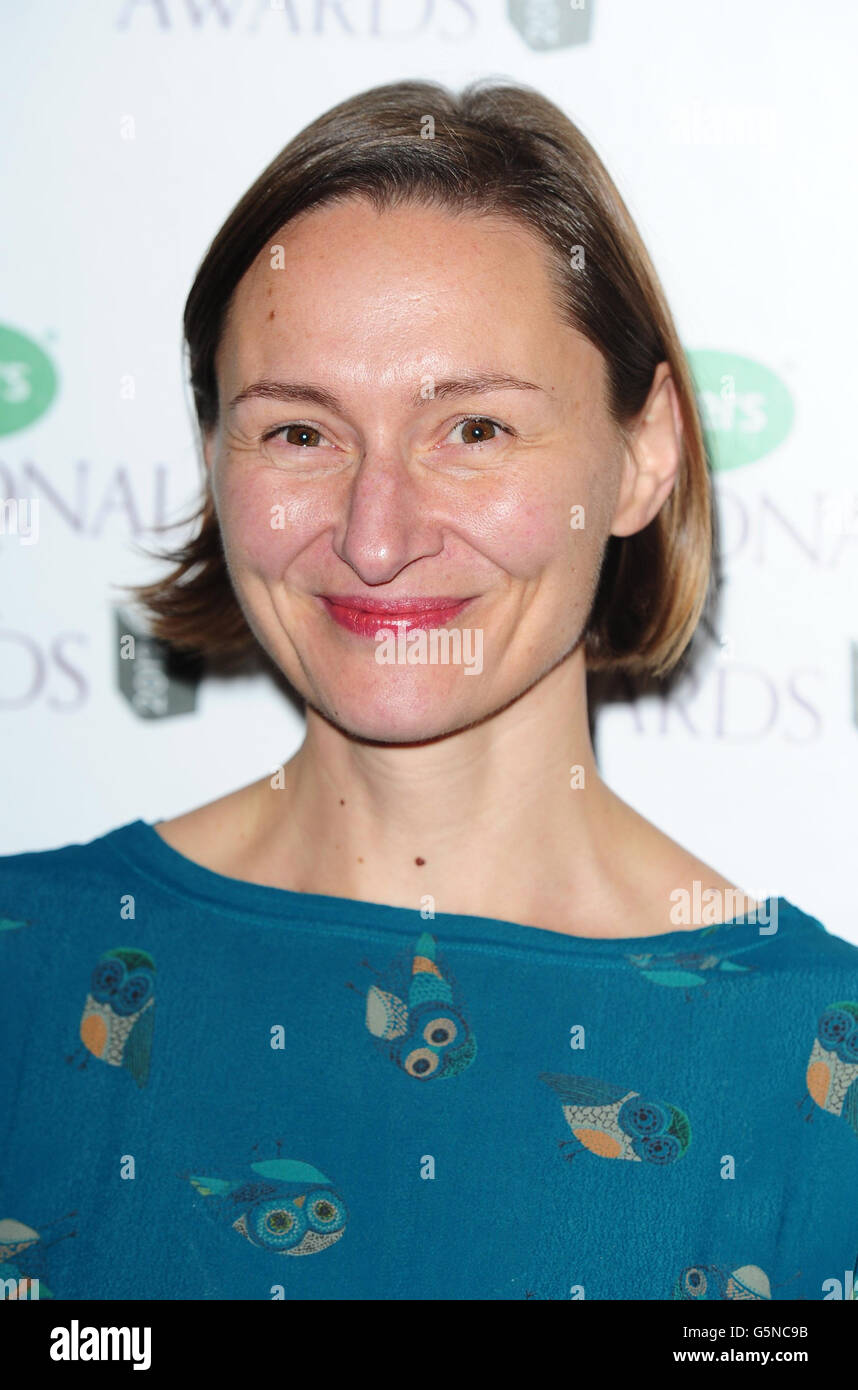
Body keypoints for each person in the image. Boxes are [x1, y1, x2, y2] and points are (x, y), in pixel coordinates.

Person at [2, 80, 856, 1303]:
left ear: (644, 453)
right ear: (216, 459)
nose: (375, 534)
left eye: (475, 430)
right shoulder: (25, 972)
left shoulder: (820, 1063)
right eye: (300, 432)